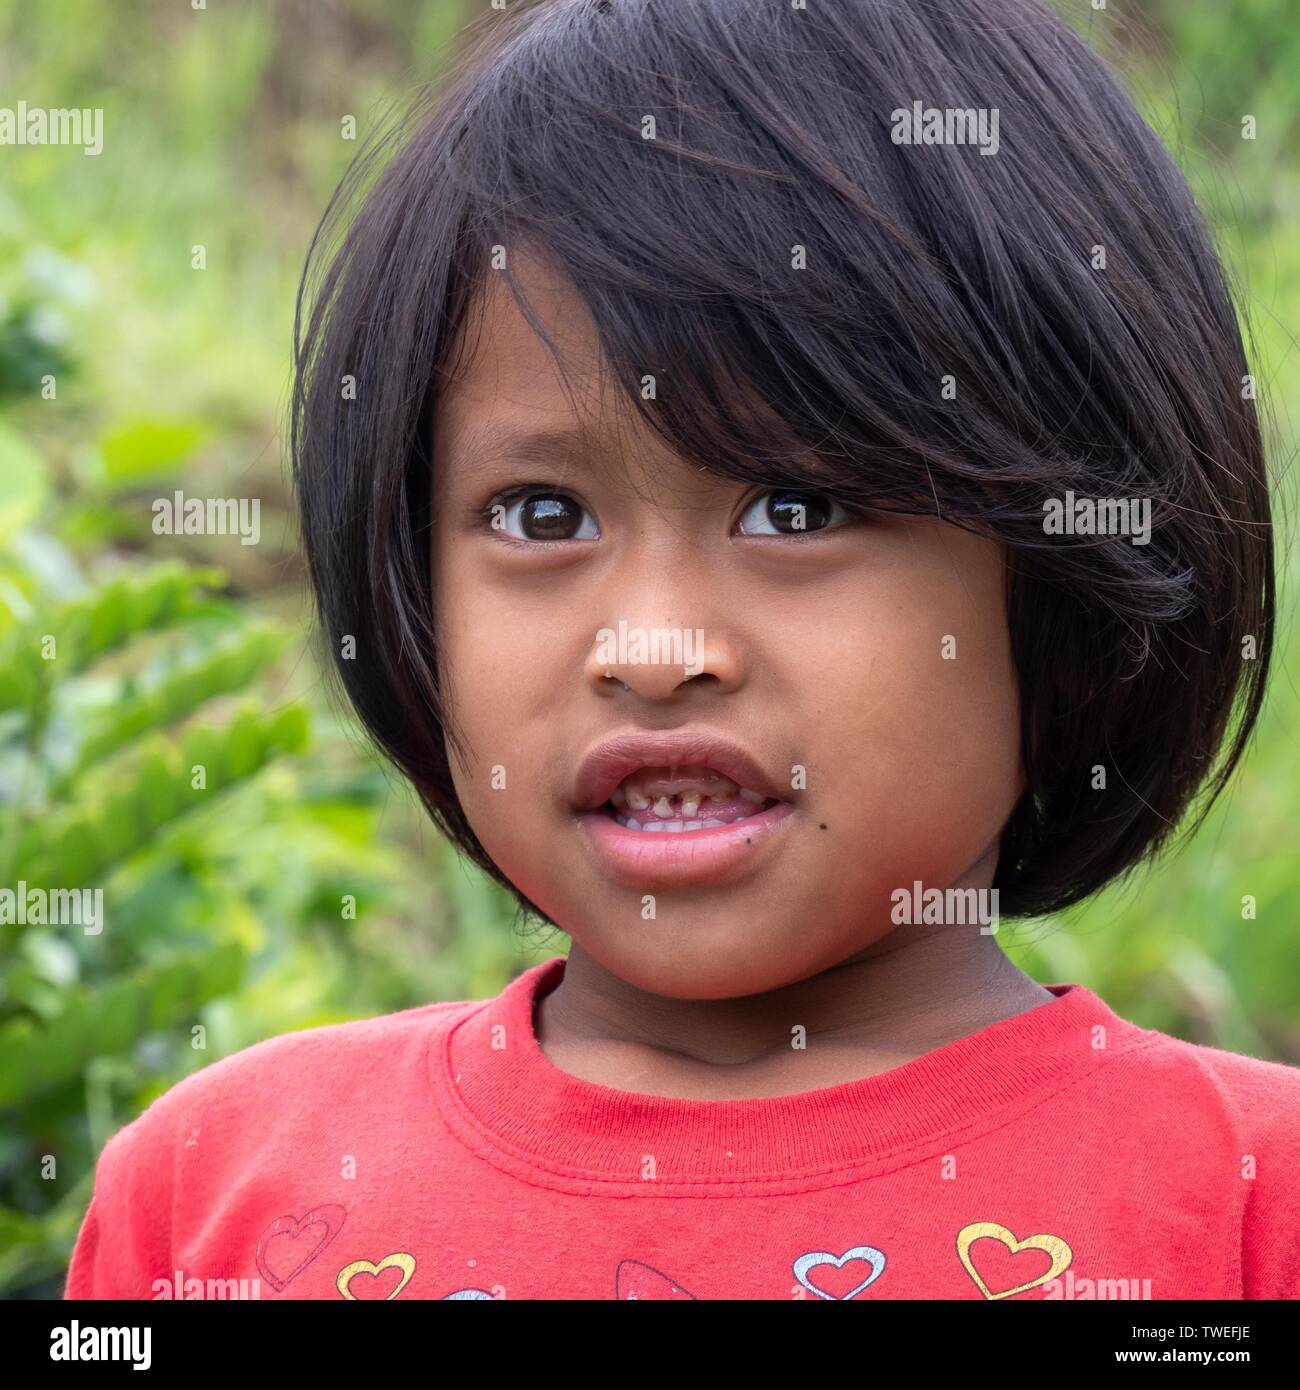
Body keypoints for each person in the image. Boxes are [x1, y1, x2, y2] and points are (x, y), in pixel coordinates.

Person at [67, 0, 1297, 1300]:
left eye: (797, 508)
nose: (653, 649)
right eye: (543, 515)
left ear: (1057, 583)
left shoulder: (1247, 1211)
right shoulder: (211, 1193)